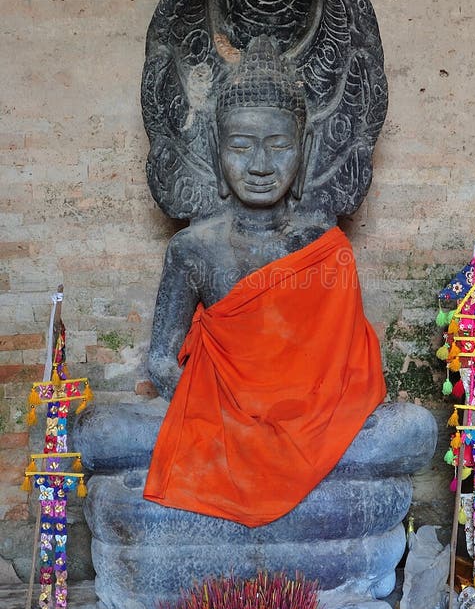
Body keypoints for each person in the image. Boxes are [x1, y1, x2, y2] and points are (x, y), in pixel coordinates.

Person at [143, 37, 387, 525]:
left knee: (409, 430)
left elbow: (347, 370)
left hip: (308, 418)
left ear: (306, 147)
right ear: (216, 149)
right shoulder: (192, 248)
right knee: (104, 433)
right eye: (240, 145)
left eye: (278, 146)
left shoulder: (325, 250)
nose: (259, 166)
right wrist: (224, 410)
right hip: (222, 413)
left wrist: (284, 412)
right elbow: (159, 359)